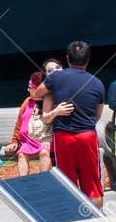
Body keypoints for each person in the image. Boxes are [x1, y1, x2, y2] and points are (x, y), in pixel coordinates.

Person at [32, 38, 105, 204]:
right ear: (87, 59)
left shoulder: (56, 78)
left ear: (67, 58)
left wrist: (53, 99)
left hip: (63, 136)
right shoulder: (98, 83)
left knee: (68, 183)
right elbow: (97, 115)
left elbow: (37, 93)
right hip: (87, 135)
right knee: (92, 184)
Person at [2, 73, 52, 174]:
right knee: (21, 154)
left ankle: (45, 181)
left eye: (30, 87)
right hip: (27, 142)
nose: (28, 90)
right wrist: (15, 142)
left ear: (39, 89)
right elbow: (18, 124)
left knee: (44, 153)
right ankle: (24, 183)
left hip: (44, 141)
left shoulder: (50, 101)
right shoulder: (27, 101)